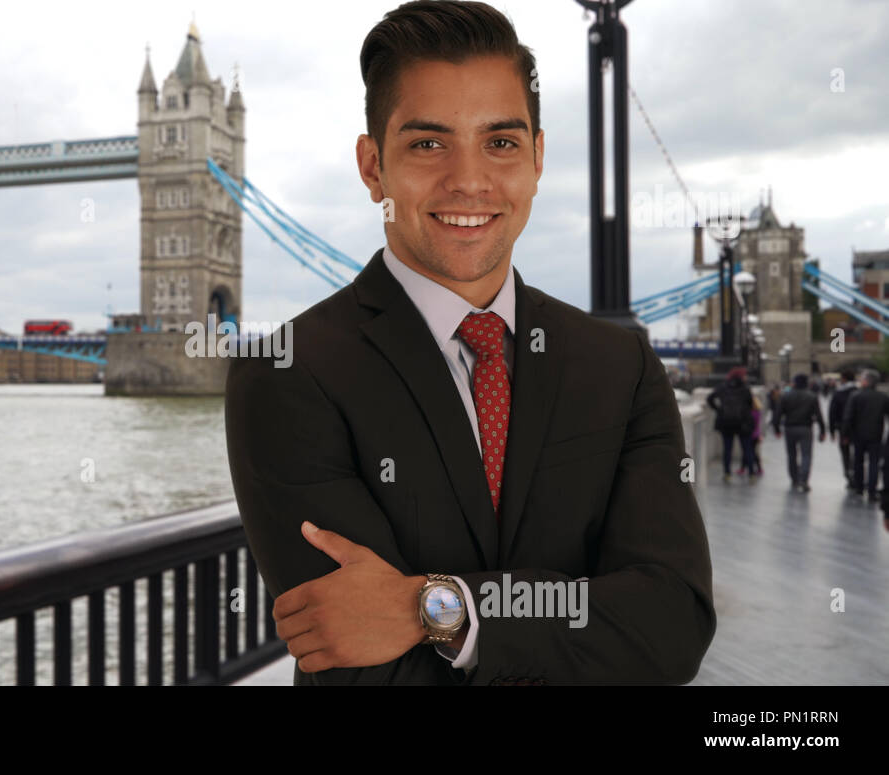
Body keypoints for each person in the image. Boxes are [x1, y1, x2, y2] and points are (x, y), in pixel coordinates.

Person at [225, 0, 715, 686]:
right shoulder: (287, 372)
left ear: (538, 159)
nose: (469, 180)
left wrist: (438, 610)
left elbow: (672, 623)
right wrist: (586, 618)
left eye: (501, 142)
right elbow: (365, 668)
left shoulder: (620, 366)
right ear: (373, 168)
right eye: (428, 143)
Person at [772, 373, 826, 492]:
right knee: (806, 455)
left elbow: (777, 414)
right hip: (806, 428)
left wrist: (776, 429)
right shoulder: (812, 396)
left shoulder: (786, 396)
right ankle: (804, 480)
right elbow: (819, 415)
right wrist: (822, 431)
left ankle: (794, 478)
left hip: (790, 428)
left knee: (792, 455)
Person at [843, 369, 889, 500]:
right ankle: (872, 491)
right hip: (876, 434)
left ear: (865, 381)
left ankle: (859, 488)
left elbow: (848, 417)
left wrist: (845, 435)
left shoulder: (855, 396)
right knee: (874, 463)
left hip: (858, 435)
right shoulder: (883, 397)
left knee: (858, 461)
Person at [706, 366, 757, 482]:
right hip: (743, 423)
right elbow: (750, 404)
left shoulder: (722, 387)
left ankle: (727, 473)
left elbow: (709, 399)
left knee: (727, 449)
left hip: (726, 422)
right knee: (747, 448)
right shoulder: (745, 388)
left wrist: (718, 409)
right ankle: (751, 474)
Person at [829, 367, 858, 490]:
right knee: (858, 454)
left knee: (845, 453)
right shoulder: (859, 391)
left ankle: (849, 475)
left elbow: (832, 413)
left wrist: (832, 430)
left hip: (842, 428)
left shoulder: (838, 393)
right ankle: (857, 475)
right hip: (858, 428)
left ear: (844, 379)